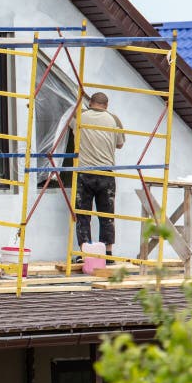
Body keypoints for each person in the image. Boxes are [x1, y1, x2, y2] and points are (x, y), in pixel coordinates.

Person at [74, 92, 124, 262]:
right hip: (106, 174)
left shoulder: (81, 117)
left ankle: (85, 252)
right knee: (107, 215)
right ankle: (108, 253)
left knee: (83, 215)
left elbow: (75, 136)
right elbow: (120, 144)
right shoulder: (113, 119)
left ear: (90, 103)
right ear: (106, 105)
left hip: (85, 172)